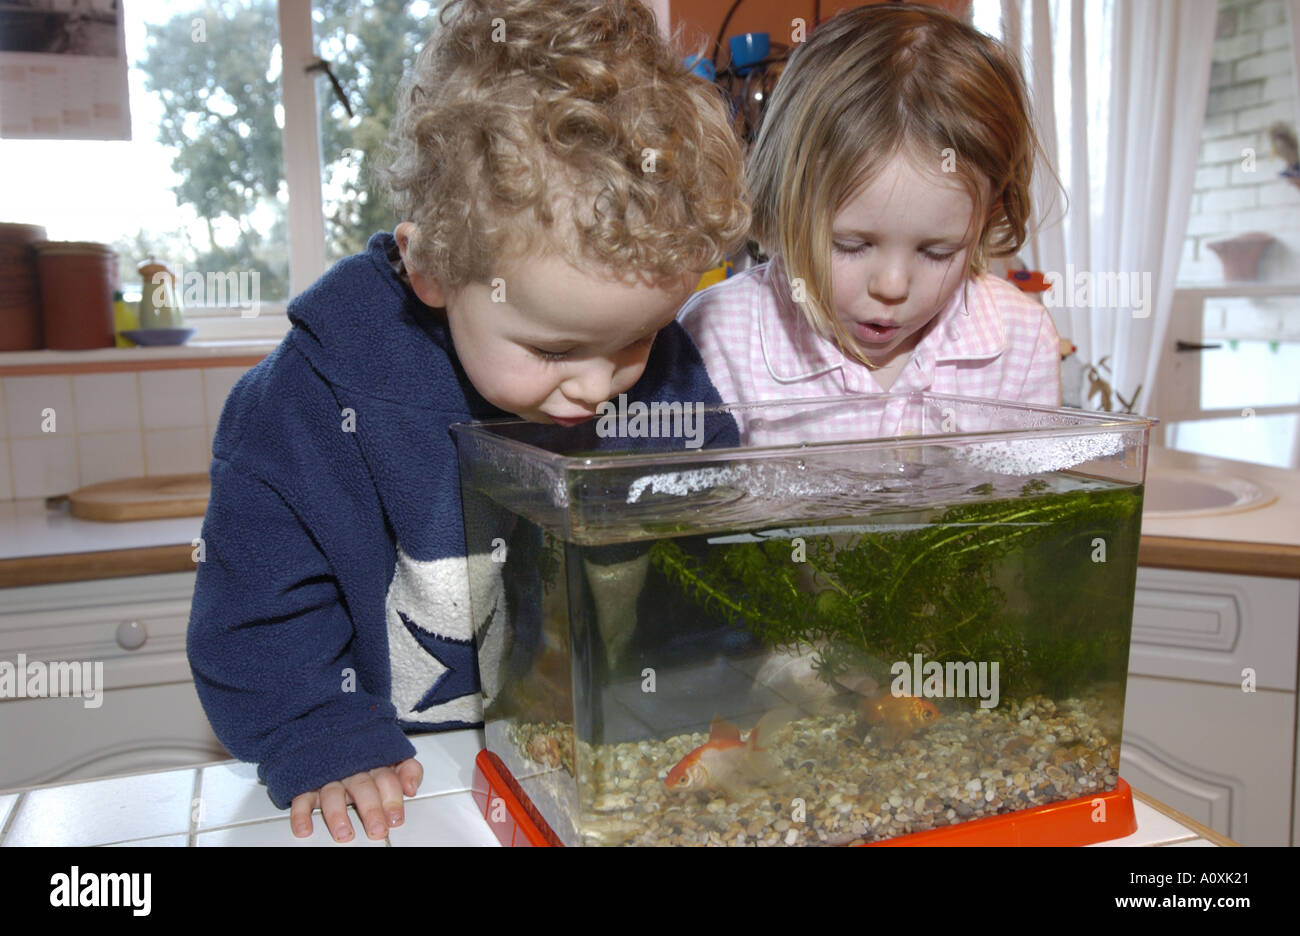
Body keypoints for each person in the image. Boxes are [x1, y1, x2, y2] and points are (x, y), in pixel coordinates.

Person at [187, 0, 747, 842]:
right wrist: (319, 730)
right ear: (434, 268)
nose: (597, 387)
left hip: (583, 770)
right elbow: (254, 614)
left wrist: (716, 687)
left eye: (636, 339)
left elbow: (709, 566)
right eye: (554, 349)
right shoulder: (310, 403)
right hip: (400, 785)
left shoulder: (663, 381)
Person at [679, 3, 1062, 440]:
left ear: (988, 216)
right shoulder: (719, 334)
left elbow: (1031, 502)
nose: (892, 286)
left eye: (938, 252)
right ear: (787, 199)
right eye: (851, 244)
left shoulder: (1022, 341)